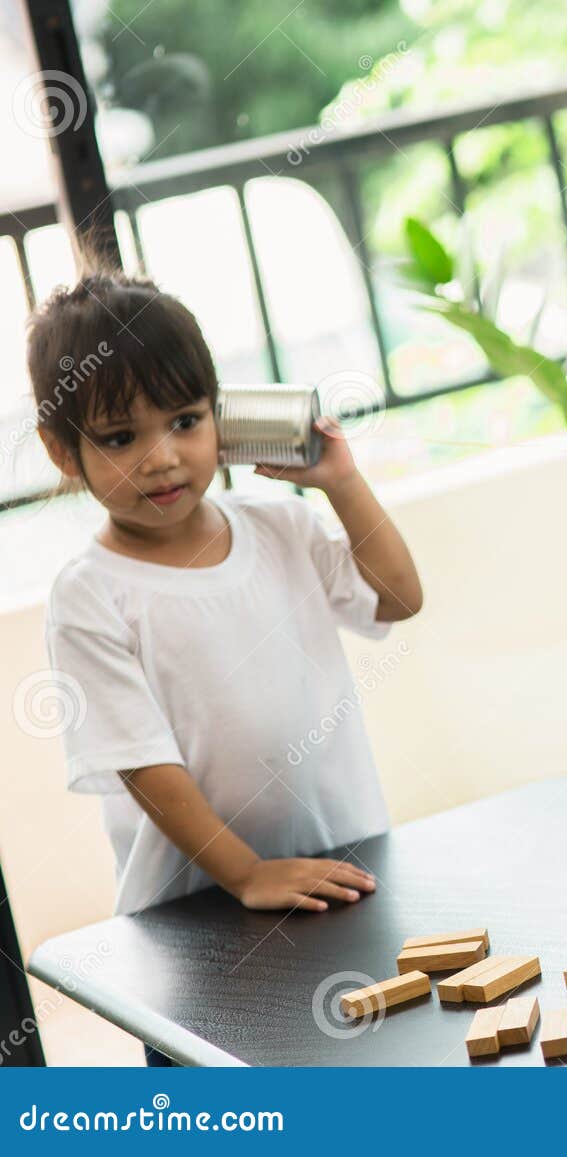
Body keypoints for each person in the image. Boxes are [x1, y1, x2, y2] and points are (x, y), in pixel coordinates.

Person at [28, 268, 423, 1065]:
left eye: (186, 420)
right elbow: (144, 764)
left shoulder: (281, 523)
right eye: (120, 437)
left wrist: (340, 482)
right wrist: (246, 873)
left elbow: (398, 597)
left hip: (338, 873)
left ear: (224, 414)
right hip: (197, 922)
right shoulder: (91, 595)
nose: (163, 458)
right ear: (63, 450)